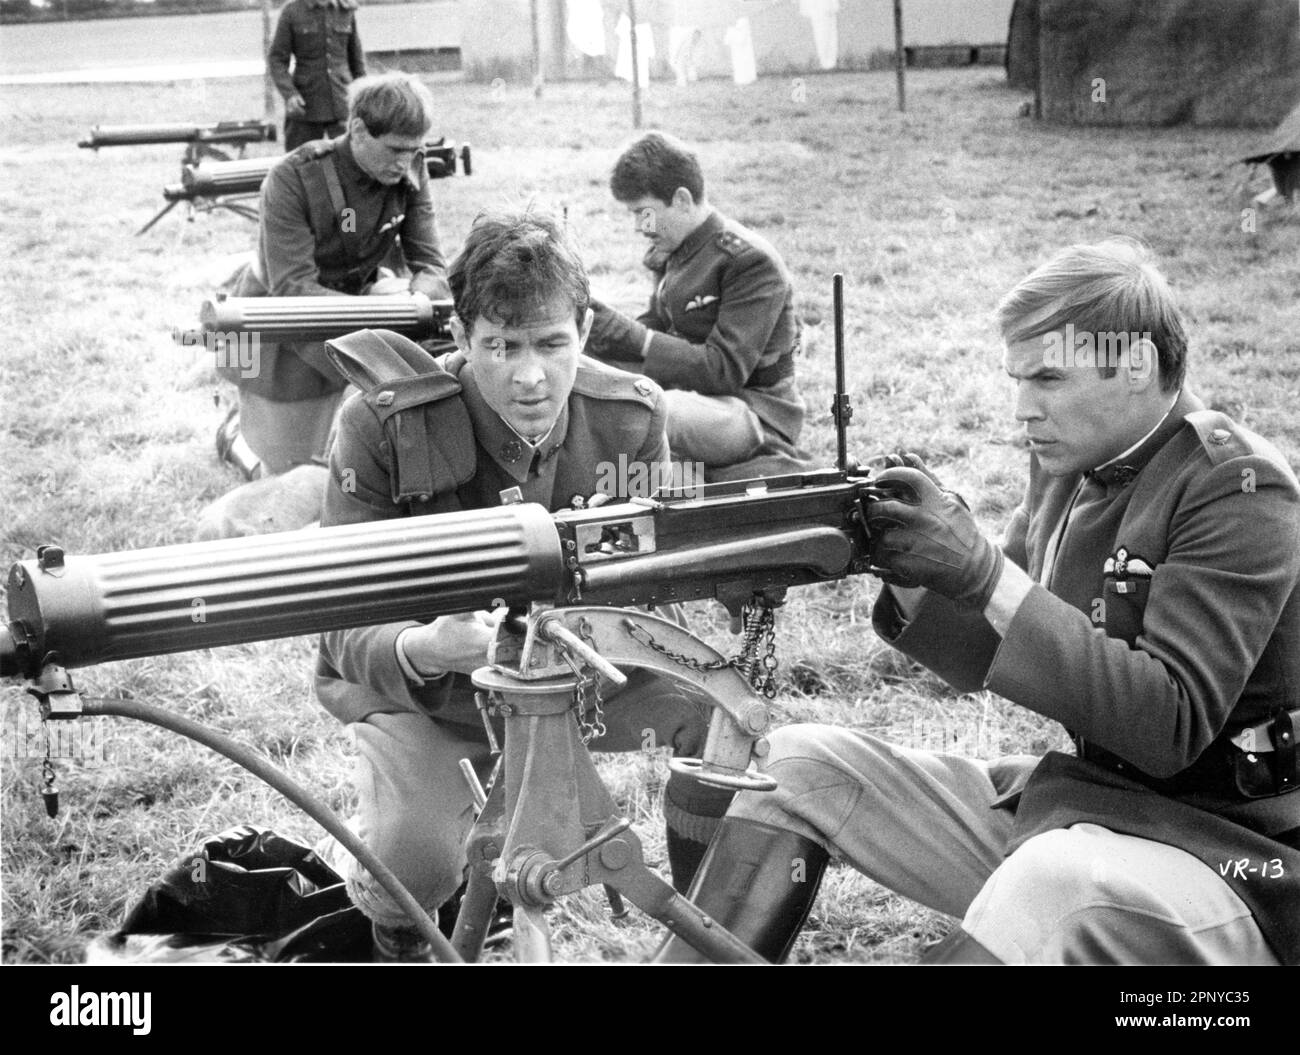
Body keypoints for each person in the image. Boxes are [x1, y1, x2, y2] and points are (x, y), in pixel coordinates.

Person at [657, 239, 1300, 965]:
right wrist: (895, 558)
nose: (1023, 408)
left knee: (1050, 887)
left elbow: (1166, 723)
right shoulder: (1072, 463)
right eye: (1017, 378)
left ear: (1137, 364)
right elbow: (994, 646)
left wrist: (983, 570)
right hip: (1094, 807)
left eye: (1049, 378)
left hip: (1235, 854)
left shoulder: (1236, 487)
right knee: (795, 767)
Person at [313, 209, 734, 959]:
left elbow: (656, 588)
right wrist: (425, 646)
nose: (530, 375)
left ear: (585, 330)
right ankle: (399, 936)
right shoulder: (381, 426)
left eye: (551, 343)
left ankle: (710, 927)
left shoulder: (629, 418)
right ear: (462, 338)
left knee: (719, 721)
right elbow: (342, 622)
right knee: (417, 863)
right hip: (434, 691)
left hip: (577, 675)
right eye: (500, 347)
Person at [218, 72, 452, 479]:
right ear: (358, 130)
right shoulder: (293, 178)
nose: (406, 162)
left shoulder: (408, 165)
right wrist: (383, 318)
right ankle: (232, 434)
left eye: (415, 151)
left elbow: (431, 263)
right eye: (396, 149)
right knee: (284, 469)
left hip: (353, 305)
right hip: (282, 323)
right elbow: (293, 290)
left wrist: (414, 306)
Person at [584, 131, 809, 481]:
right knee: (596, 390)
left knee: (654, 412)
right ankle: (672, 492)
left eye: (644, 213)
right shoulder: (678, 250)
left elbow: (724, 370)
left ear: (682, 199)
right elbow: (661, 323)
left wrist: (636, 338)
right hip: (697, 398)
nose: (638, 227)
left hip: (755, 411)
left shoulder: (749, 261)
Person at [268, 0, 367, 151]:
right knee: (299, 162)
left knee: (352, 157)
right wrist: (290, 94)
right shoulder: (292, 11)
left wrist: (364, 96)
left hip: (343, 101)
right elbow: (277, 60)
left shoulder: (346, 9)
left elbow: (356, 60)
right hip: (306, 104)